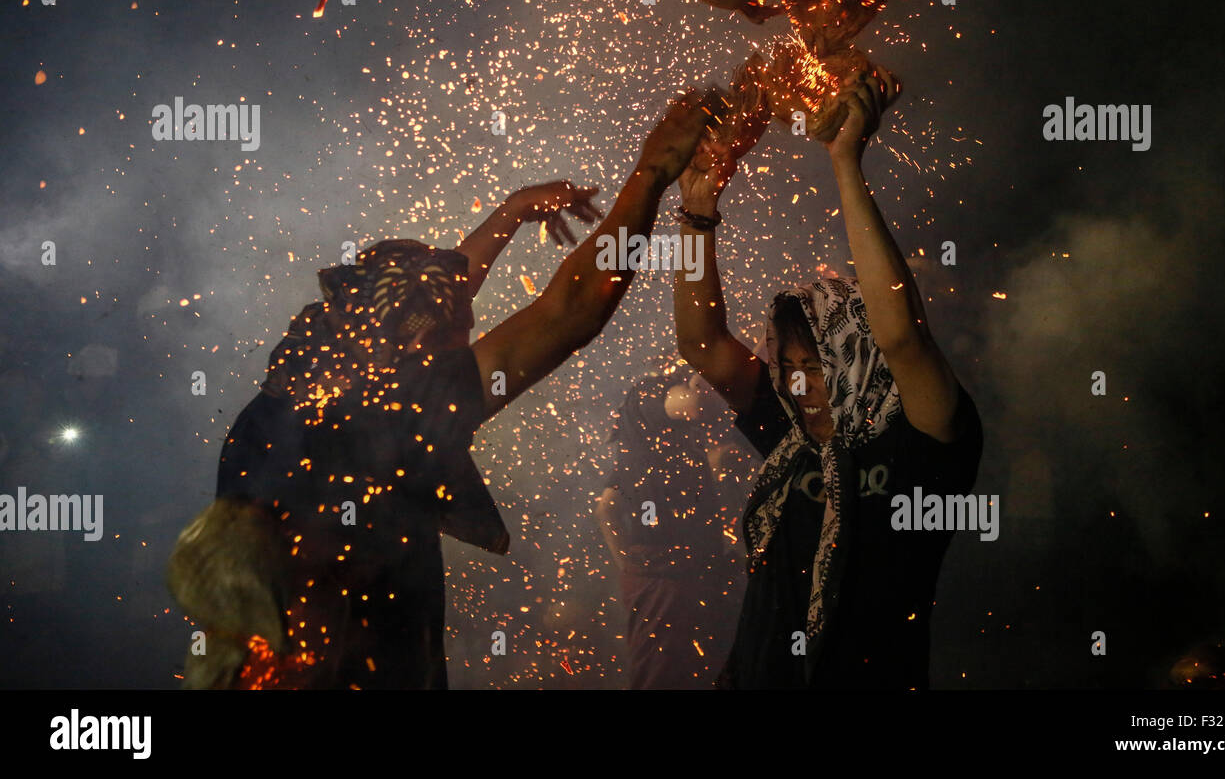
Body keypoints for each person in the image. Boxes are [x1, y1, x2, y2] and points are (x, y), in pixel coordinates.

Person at [169, 89, 718, 689]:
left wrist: (509, 215)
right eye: (453, 339)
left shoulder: (286, 402)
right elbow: (573, 311)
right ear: (410, 346)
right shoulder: (386, 412)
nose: (466, 345)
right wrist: (652, 174)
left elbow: (414, 306)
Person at [673, 68, 983, 688]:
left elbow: (900, 336)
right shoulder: (794, 443)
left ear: (858, 361)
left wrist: (847, 161)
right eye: (787, 370)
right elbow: (700, 343)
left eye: (815, 368)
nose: (796, 387)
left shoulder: (922, 441)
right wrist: (697, 214)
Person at [594, 371, 747, 688]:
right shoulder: (649, 392)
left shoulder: (658, 446)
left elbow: (607, 505)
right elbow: (693, 404)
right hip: (666, 580)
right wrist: (632, 567)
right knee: (665, 675)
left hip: (690, 574)